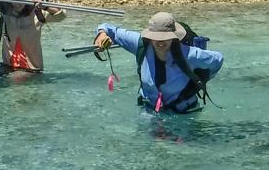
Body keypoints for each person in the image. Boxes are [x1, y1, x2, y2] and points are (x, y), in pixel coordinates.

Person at [93, 12, 224, 113]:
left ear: (174, 37)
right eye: (156, 38)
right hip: (149, 111)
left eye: (165, 38)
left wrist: (197, 81)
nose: (160, 42)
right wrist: (102, 35)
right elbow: (110, 29)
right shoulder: (140, 44)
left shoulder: (190, 54)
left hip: (183, 113)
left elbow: (218, 59)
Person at [0, 0, 65, 75]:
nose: (17, 2)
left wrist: (45, 6)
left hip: (31, 68)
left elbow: (61, 15)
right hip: (8, 66)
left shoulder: (38, 13)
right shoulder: (6, 12)